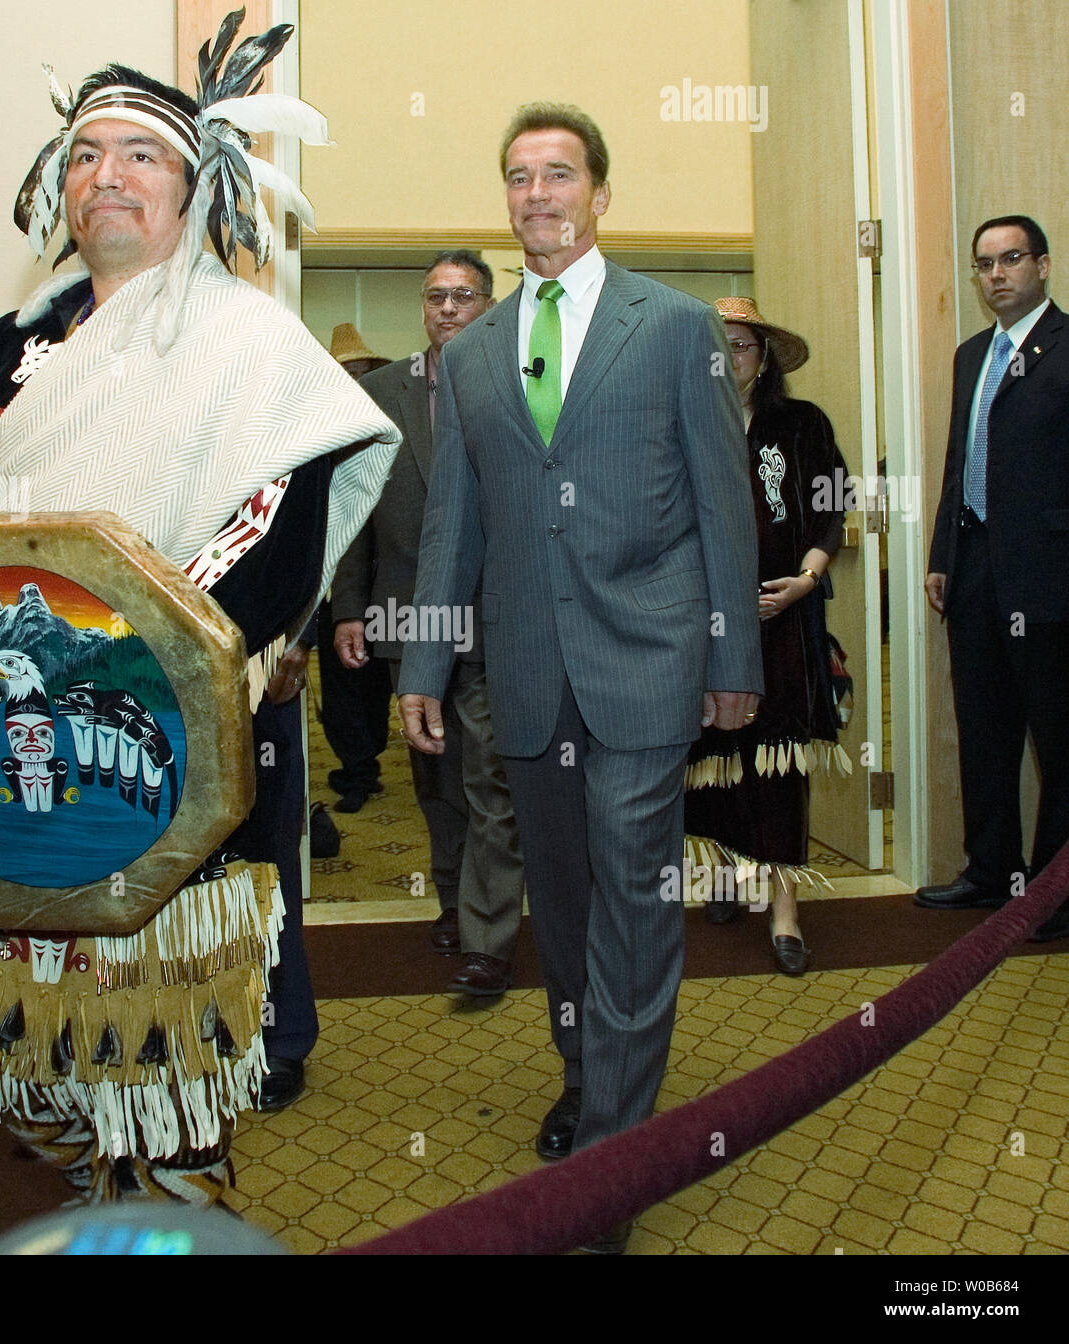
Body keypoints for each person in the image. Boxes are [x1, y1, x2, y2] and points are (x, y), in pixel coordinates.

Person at [0, 22, 399, 1227]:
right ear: (59, 185)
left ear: (194, 192)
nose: (108, 176)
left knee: (168, 1097)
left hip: (159, 770)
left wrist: (114, 656)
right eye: (86, 154)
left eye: (142, 154)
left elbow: (273, 537)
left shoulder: (246, 347)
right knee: (41, 1086)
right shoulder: (8, 349)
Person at [397, 103, 763, 1253]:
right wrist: (423, 654)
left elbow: (722, 506)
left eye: (559, 174)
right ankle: (585, 1071)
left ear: (600, 193)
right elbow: (454, 520)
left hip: (649, 662)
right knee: (560, 901)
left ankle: (614, 1148)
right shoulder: (473, 351)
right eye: (518, 176)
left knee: (634, 897)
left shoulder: (674, 326)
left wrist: (730, 657)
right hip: (525, 675)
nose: (537, 193)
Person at [334, 252, 526, 991]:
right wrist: (348, 607)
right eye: (435, 297)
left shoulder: (520, 383)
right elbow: (351, 509)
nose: (447, 309)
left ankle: (488, 934)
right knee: (435, 775)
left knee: (489, 775)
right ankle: (453, 899)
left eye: (463, 296)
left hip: (498, 614)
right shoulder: (381, 392)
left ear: (489, 306)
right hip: (405, 611)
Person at [684, 298, 851, 975]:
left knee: (778, 760)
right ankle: (723, 873)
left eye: (743, 345)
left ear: (765, 355)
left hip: (785, 618)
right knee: (710, 752)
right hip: (704, 622)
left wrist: (806, 581)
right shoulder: (684, 422)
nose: (729, 358)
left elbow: (829, 507)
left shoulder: (801, 423)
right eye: (716, 346)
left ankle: (784, 909)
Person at [918, 215, 1069, 943]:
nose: (997, 274)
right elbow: (959, 460)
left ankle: (1051, 894)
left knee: (1058, 741)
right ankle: (989, 871)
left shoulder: (1066, 349)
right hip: (973, 571)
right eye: (984, 263)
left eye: (1011, 260)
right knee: (984, 732)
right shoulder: (971, 353)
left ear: (1042, 266)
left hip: (1048, 578)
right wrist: (943, 553)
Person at [309, 324, 393, 814]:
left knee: (375, 684)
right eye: (347, 373)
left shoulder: (389, 429)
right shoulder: (318, 433)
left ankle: (369, 760)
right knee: (343, 685)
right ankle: (356, 772)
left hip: (380, 585)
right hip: (327, 587)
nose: (356, 381)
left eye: (363, 372)